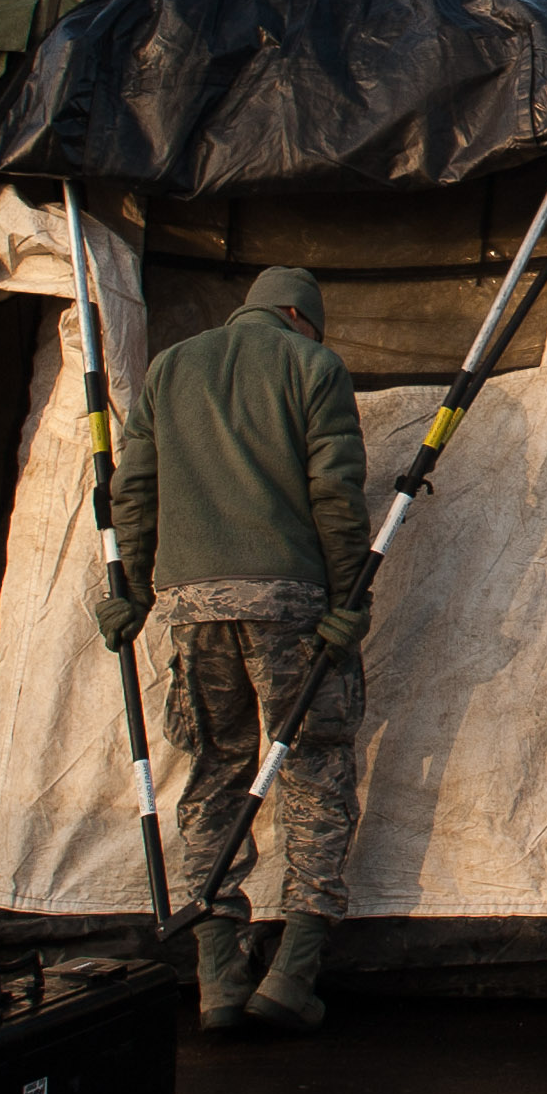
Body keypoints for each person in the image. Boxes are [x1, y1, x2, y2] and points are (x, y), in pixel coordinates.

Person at [101, 266, 372, 1035]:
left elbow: (133, 490)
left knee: (216, 772)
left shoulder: (169, 367)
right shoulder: (313, 366)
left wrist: (132, 592)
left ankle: (217, 974)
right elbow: (336, 492)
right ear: (296, 314)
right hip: (290, 602)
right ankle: (292, 973)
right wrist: (349, 598)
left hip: (193, 605)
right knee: (314, 768)